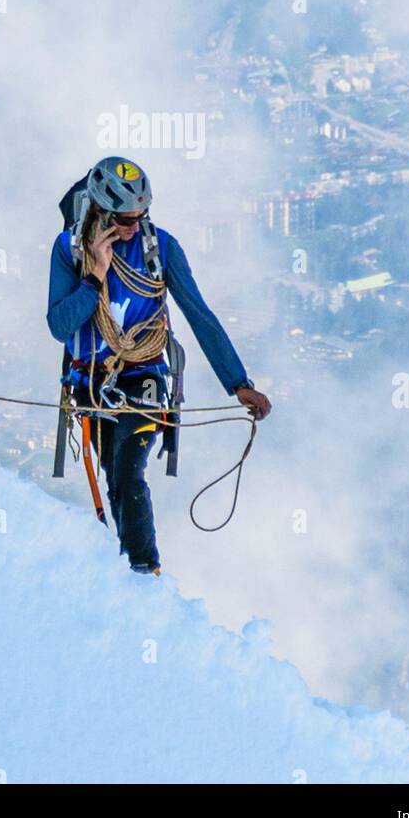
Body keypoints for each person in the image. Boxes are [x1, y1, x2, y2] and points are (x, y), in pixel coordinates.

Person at [46, 156, 271, 575]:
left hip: (144, 376)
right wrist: (94, 276)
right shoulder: (69, 250)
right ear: (99, 208)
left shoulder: (161, 249)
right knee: (116, 479)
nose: (133, 227)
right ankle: (127, 574)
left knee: (129, 471)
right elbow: (60, 325)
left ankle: (145, 570)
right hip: (92, 385)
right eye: (124, 218)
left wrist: (238, 383)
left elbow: (198, 314)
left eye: (140, 216)